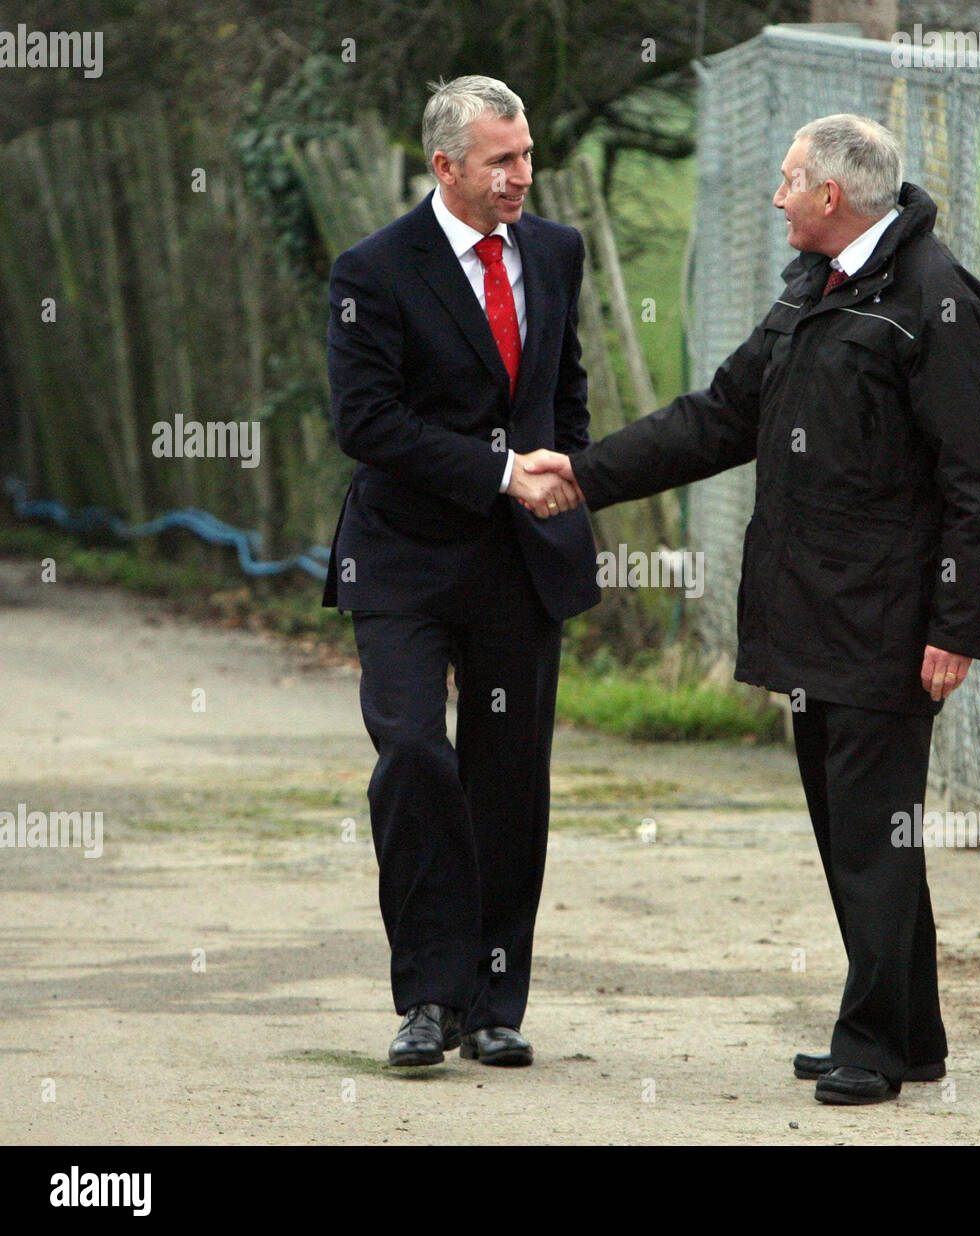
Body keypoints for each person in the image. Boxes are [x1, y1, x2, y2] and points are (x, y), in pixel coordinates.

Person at [527, 114, 980, 1104]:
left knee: (871, 836)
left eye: (789, 180)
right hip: (814, 617)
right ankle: (912, 1033)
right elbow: (717, 417)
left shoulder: (933, 299)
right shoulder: (814, 293)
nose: (778, 195)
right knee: (857, 829)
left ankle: (870, 1045)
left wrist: (956, 626)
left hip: (885, 621)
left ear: (832, 196)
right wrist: (582, 474)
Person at [321, 75, 600, 1069]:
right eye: (501, 160)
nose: (521, 176)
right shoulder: (374, 271)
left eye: (526, 155)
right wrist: (498, 472)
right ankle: (424, 998)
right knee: (412, 754)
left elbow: (562, 388)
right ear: (446, 166)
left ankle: (490, 1005)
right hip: (402, 559)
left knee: (507, 780)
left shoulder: (555, 253)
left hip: (521, 564)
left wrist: (563, 472)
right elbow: (367, 423)